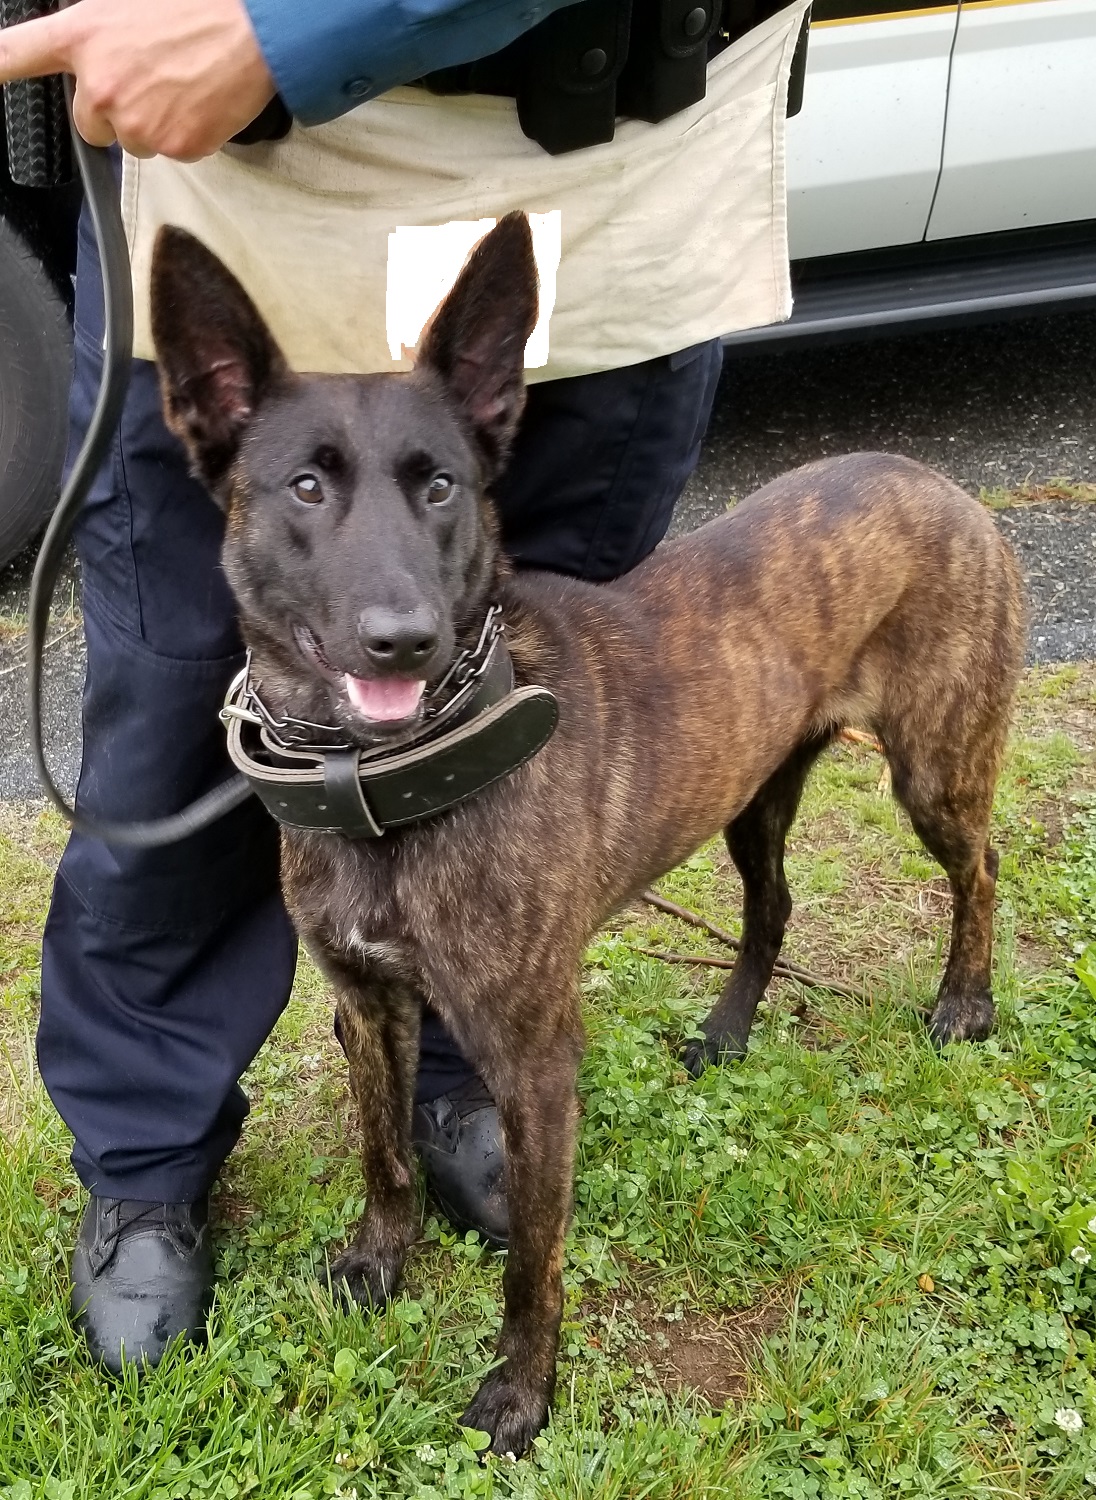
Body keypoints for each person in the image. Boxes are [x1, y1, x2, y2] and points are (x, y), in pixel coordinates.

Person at [0, 0, 807, 1371]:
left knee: (532, 700)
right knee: (175, 724)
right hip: (235, 178)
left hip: (609, 152)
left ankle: (461, 1083)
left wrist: (304, 25)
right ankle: (146, 1148)